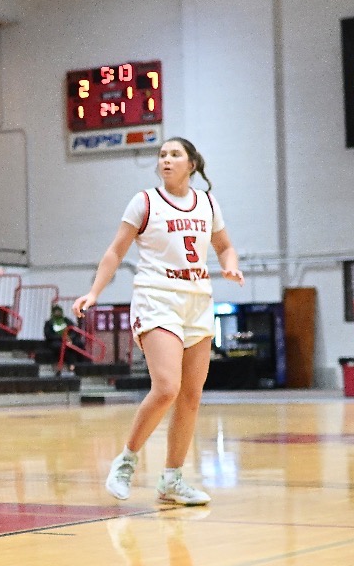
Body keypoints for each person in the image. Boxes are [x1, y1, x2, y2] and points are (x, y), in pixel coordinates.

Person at [75, 137, 240, 507]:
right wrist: (94, 292)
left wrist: (230, 266)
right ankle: (126, 461)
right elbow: (116, 250)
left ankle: (172, 479)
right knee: (166, 387)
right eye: (162, 155)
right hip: (156, 296)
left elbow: (225, 245)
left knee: (191, 396)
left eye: (174, 154)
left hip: (198, 300)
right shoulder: (145, 201)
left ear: (192, 164)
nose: (166, 159)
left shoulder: (208, 203)